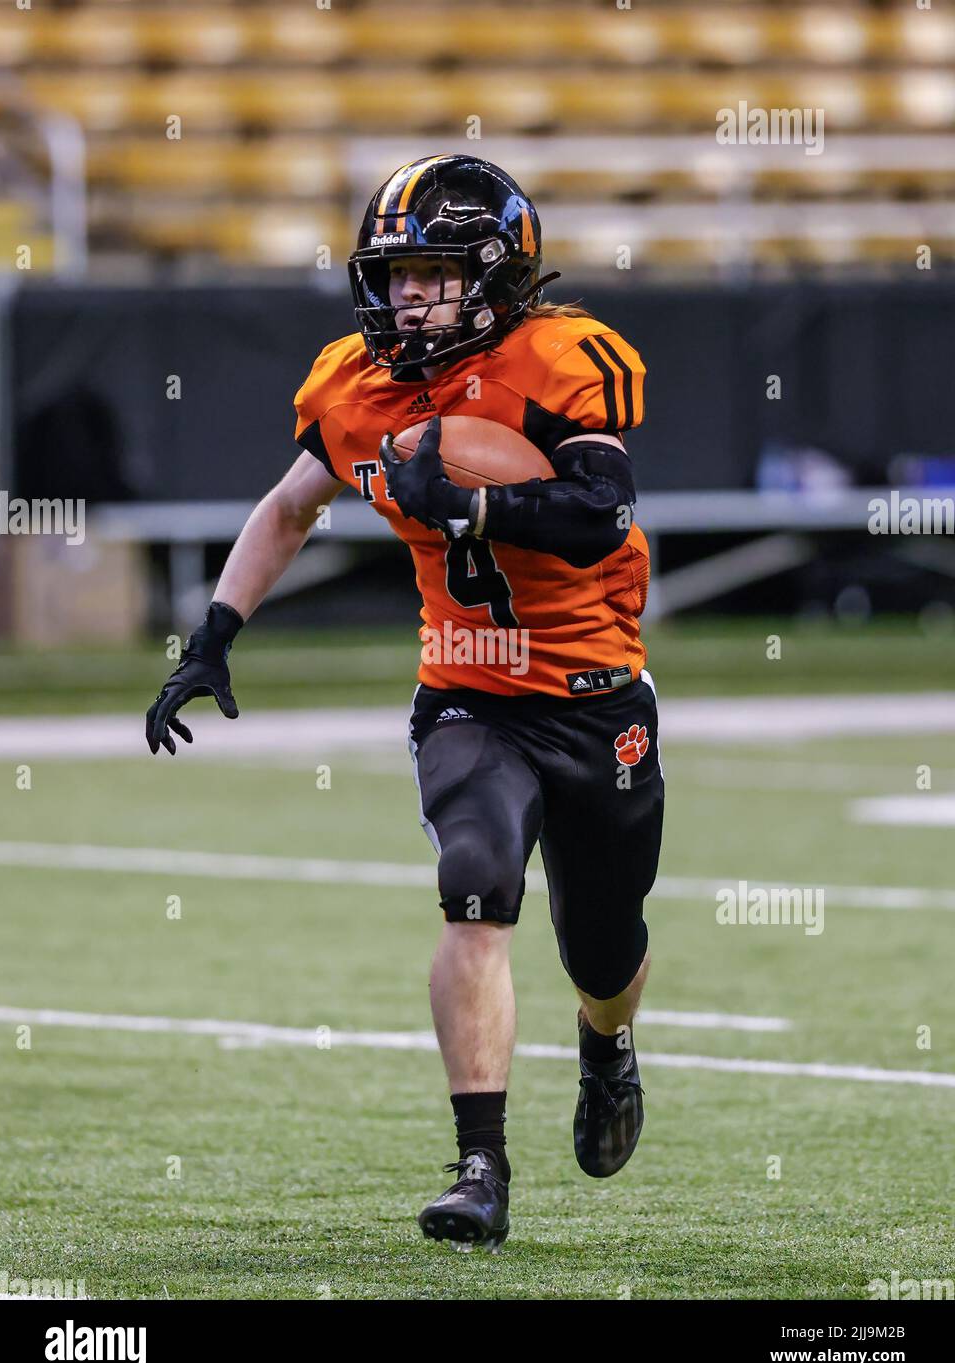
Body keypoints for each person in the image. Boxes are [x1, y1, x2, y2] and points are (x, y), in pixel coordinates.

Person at [146, 155, 664, 1253]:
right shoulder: (353, 382)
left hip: (593, 695)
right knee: (473, 881)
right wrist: (214, 635)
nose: (404, 299)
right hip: (467, 692)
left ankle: (608, 1048)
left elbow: (600, 513)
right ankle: (481, 1167)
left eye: (431, 275)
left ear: (496, 273)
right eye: (394, 276)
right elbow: (289, 508)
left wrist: (473, 504)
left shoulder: (559, 356)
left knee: (603, 948)